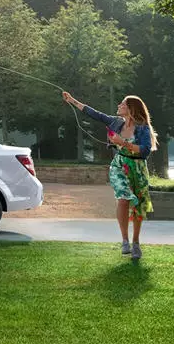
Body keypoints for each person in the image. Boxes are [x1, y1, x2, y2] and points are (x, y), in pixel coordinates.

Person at [62, 92, 156, 260]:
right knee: (123, 198)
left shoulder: (142, 127)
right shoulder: (116, 122)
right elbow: (94, 113)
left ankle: (136, 243)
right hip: (120, 165)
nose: (119, 106)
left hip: (138, 168)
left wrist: (124, 143)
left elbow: (145, 150)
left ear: (131, 108)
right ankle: (125, 241)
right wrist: (72, 100)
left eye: (122, 104)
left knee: (138, 206)